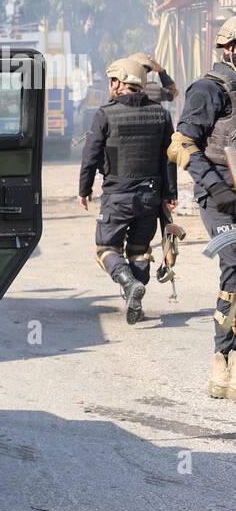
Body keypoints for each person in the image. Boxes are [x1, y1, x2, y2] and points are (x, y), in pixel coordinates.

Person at [79, 58, 176, 325]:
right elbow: (169, 157)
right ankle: (136, 301)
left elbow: (91, 155)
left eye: (112, 80)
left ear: (121, 82)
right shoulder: (160, 113)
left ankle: (128, 283)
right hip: (150, 196)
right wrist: (170, 194)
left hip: (117, 196)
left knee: (106, 248)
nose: (110, 85)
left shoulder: (105, 113)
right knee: (139, 251)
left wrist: (84, 189)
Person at [169, 17, 236, 397]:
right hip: (220, 199)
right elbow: (181, 144)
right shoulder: (208, 89)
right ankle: (223, 360)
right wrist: (215, 187)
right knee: (235, 267)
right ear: (229, 47)